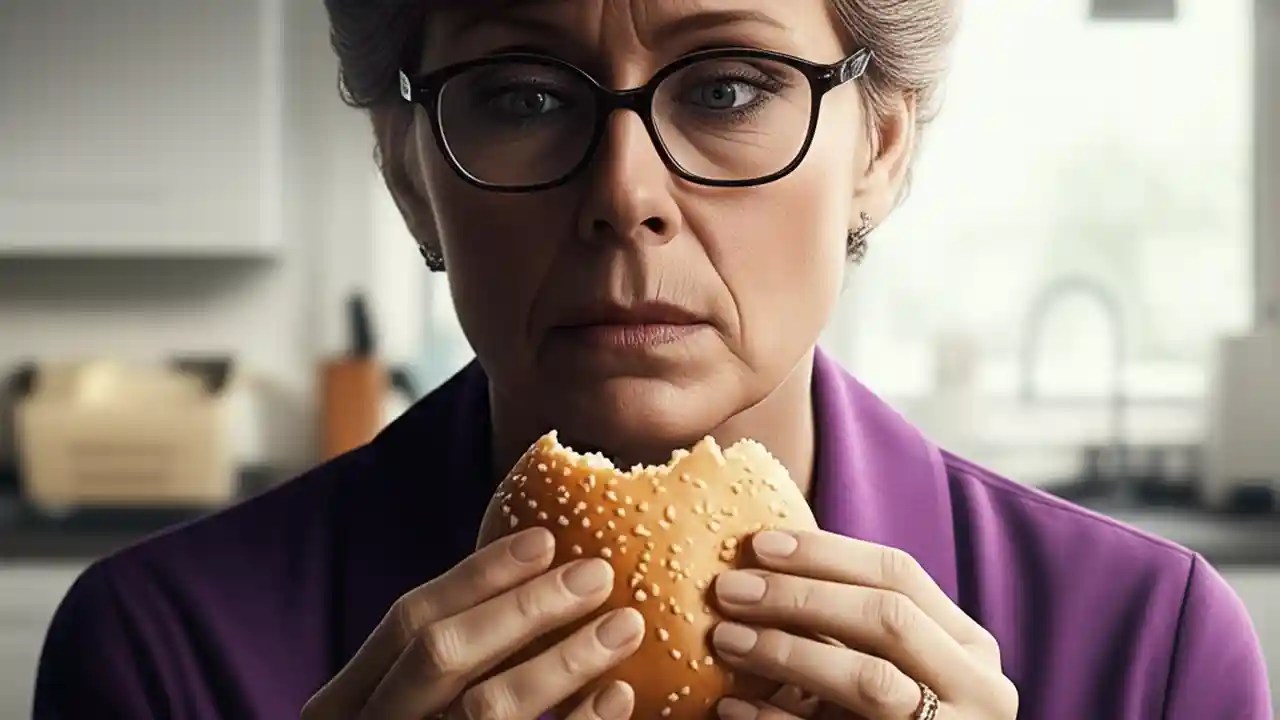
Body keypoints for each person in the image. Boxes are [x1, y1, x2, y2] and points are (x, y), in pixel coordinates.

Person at [33, 1, 1271, 718]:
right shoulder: (164, 653)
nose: (625, 196)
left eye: (728, 89)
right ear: (411, 174)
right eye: (521, 95)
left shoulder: (1145, 651)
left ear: (880, 148)